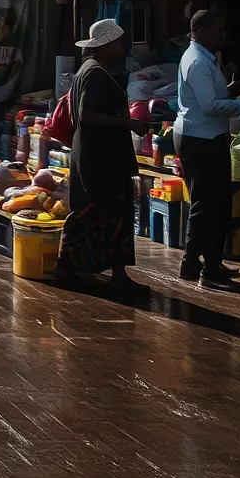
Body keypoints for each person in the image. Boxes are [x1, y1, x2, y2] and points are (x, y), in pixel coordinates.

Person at [55, 20, 151, 288]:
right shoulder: (95, 74)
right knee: (94, 210)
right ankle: (67, 264)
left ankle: (116, 272)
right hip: (100, 157)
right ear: (107, 47)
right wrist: (130, 123)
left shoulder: (88, 70)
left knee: (112, 212)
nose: (122, 50)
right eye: (119, 45)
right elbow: (88, 115)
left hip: (97, 154)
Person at [175, 10, 240, 290]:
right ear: (203, 31)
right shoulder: (197, 61)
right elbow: (209, 106)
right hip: (202, 138)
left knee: (212, 202)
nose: (223, 36)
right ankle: (206, 268)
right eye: (219, 31)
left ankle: (201, 262)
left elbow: (207, 98)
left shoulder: (204, 59)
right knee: (210, 204)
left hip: (205, 135)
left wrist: (230, 91)